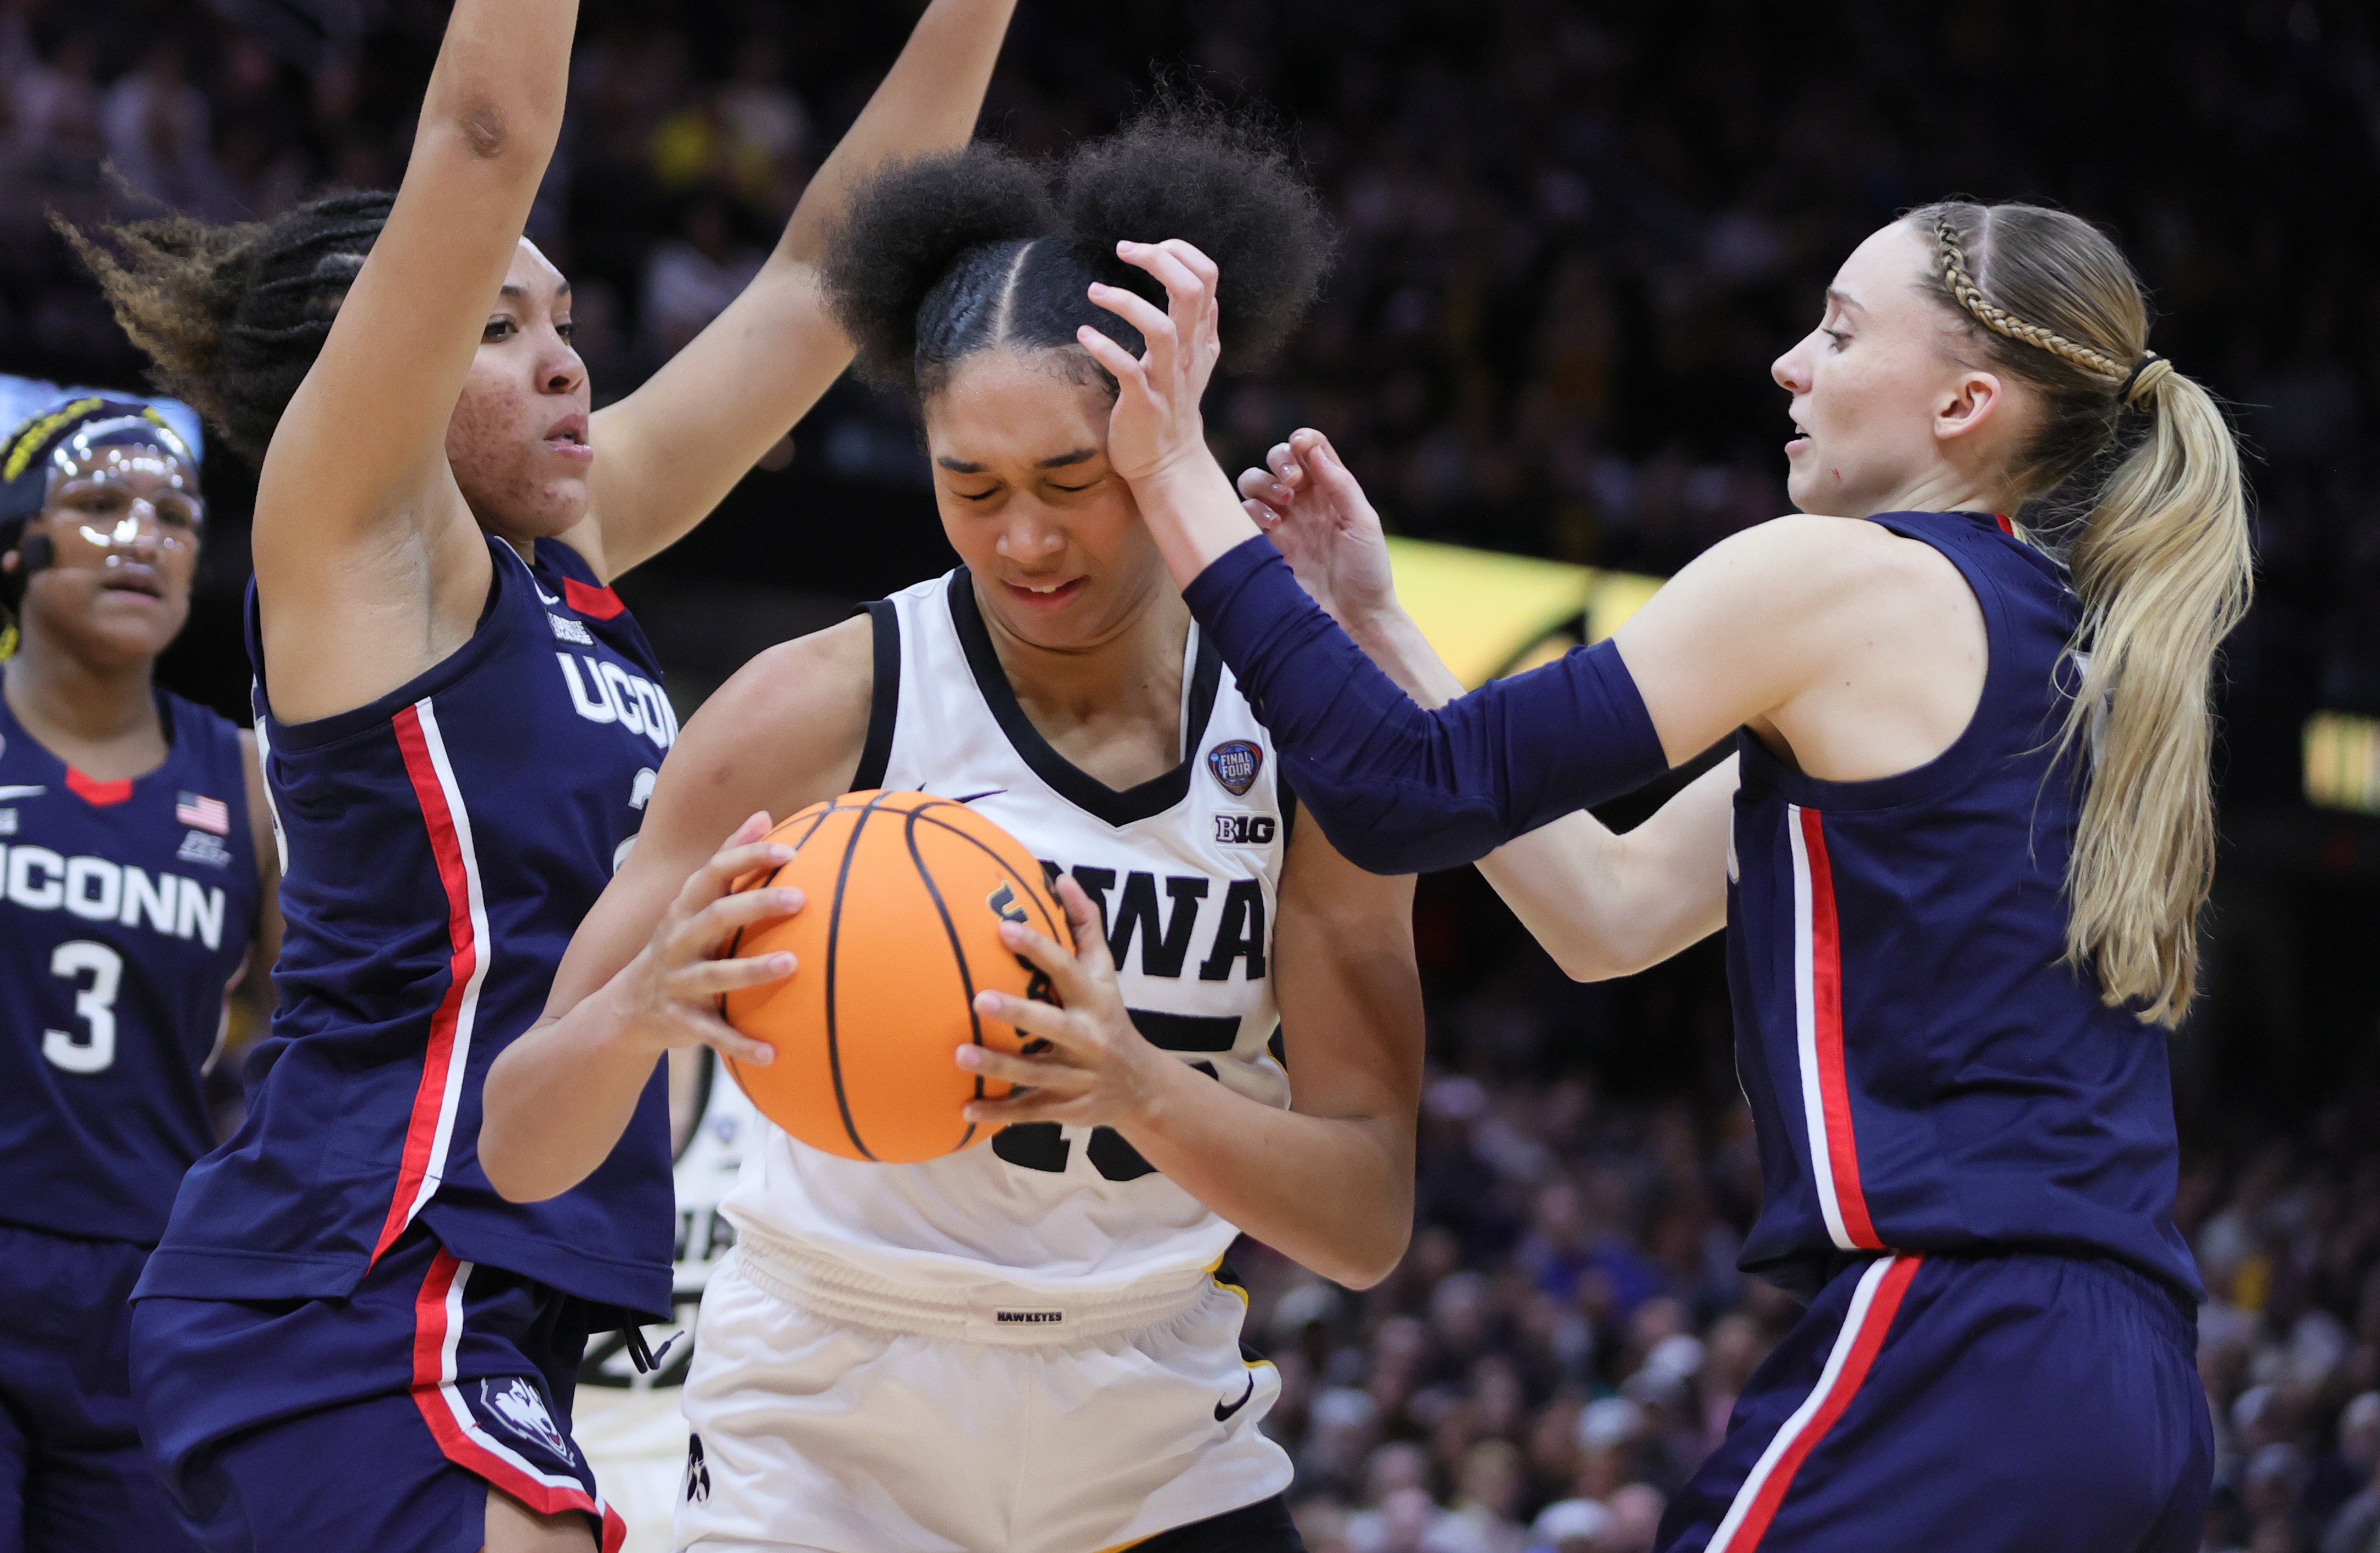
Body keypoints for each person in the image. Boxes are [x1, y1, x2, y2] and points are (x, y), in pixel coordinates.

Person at [1088, 202, 2243, 1549]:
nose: (1787, 365)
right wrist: (1379, 624)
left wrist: (1171, 471)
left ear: (1963, 402)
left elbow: (1399, 793)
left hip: (1959, 1345)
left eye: (1840, 329)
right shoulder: (2070, 649)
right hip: (2139, 1391)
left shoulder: (1844, 581)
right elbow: (1609, 911)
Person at [68, 0, 1017, 1546]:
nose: (567, 364)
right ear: (370, 367)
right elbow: (485, 132)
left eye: (564, 321)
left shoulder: (558, 560)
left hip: (488, 1279)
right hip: (359, 1265)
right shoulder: (358, 539)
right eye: (500, 327)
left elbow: (819, 274)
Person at [477, 109, 1424, 1553]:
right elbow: (521, 1147)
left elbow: (1365, 1219)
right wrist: (639, 1006)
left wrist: (1134, 1084)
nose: (1022, 539)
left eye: (1070, 480)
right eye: (967, 487)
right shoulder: (806, 709)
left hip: (1154, 1417)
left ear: (1160, 436)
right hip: (826, 1414)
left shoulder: (1303, 726)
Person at [0, 396, 276, 1552]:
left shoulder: (248, 778)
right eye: (99, 506)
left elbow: (284, 1019)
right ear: (16, 544)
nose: (141, 537)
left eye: (172, 514)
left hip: (145, 1284)